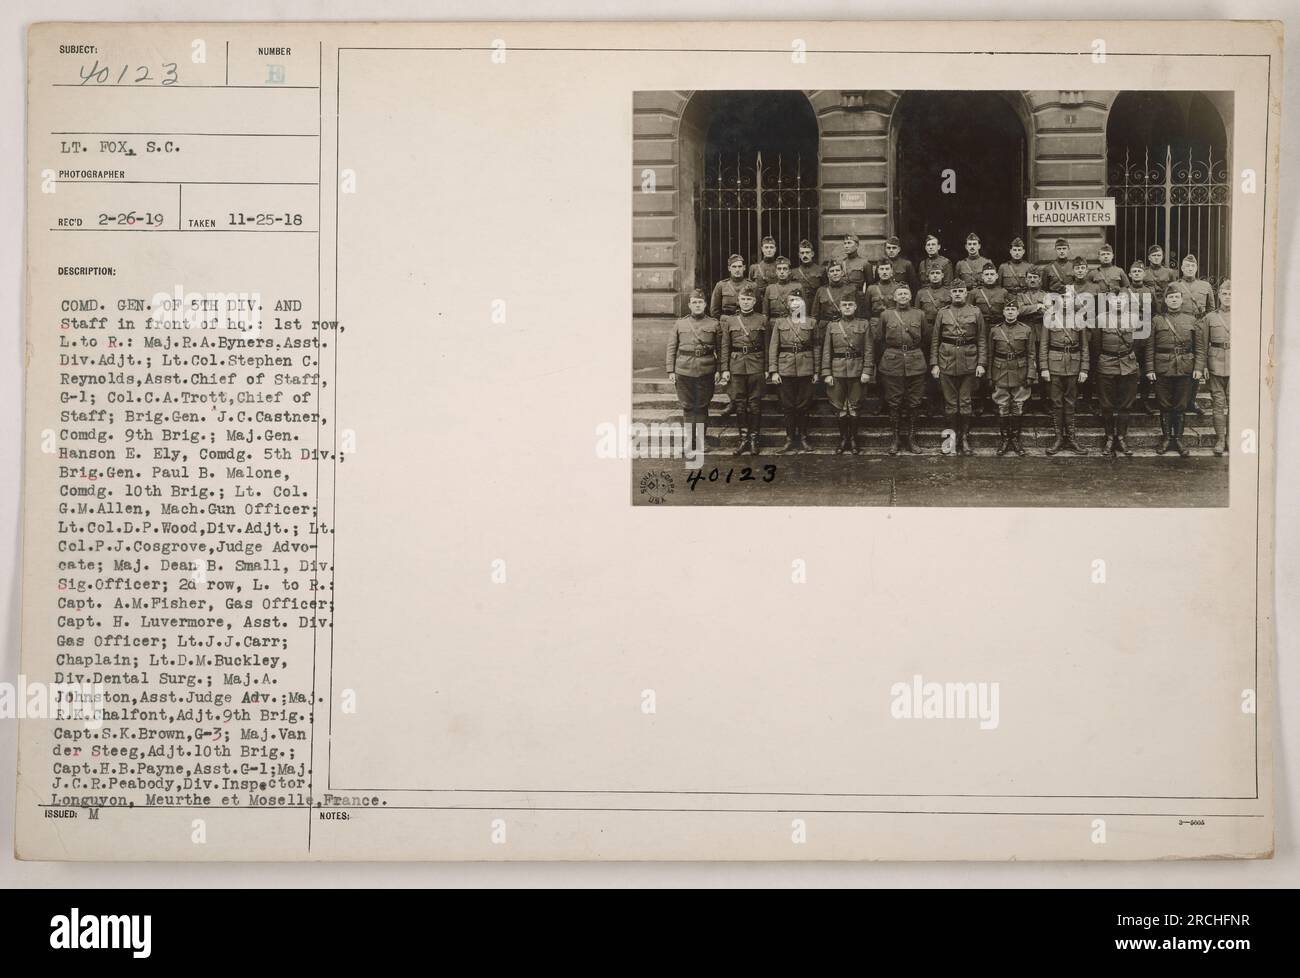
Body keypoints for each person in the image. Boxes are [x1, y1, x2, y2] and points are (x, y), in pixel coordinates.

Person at [867, 283, 930, 455]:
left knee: (914, 401)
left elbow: (925, 338)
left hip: (915, 361)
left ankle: (911, 438)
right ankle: (895, 439)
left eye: (906, 293)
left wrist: (914, 352)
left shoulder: (920, 314)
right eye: (899, 294)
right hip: (892, 362)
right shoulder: (886, 315)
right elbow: (879, 339)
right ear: (894, 297)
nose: (903, 296)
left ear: (910, 296)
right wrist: (886, 358)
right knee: (894, 402)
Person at [931, 280, 987, 455]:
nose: (957, 294)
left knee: (965, 402)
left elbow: (982, 339)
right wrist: (934, 364)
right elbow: (935, 340)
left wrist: (981, 363)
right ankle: (951, 440)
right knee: (950, 403)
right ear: (950, 293)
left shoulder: (976, 312)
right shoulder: (943, 312)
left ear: (966, 293)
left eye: (961, 291)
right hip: (946, 361)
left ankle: (964, 439)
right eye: (954, 291)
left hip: (969, 361)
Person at [1144, 284, 1200, 456]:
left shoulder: (1191, 320)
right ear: (1165, 301)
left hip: (1184, 367)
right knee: (1164, 404)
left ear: (1181, 300)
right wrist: (1150, 368)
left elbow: (1199, 347)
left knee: (1181, 404)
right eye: (1170, 298)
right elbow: (1150, 347)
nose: (1174, 300)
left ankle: (1179, 440)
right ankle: (1167, 438)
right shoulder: (1156, 320)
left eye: (1176, 297)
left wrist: (1198, 368)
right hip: (1162, 368)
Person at [1038, 276, 1090, 455]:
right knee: (1056, 402)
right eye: (1062, 298)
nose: (1065, 301)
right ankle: (1058, 438)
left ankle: (1072, 438)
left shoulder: (1079, 318)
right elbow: (1043, 345)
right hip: (1054, 366)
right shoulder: (1049, 317)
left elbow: (1084, 346)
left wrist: (1084, 368)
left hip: (1074, 365)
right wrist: (1044, 367)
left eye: (1068, 297)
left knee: (1071, 402)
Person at [1091, 276, 1142, 457]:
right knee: (1107, 404)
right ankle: (1109, 437)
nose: (1118, 303)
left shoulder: (1134, 319)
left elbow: (1138, 344)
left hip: (1128, 365)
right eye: (1114, 300)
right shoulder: (1100, 319)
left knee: (1125, 404)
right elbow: (1095, 345)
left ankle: (1121, 437)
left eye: (1121, 300)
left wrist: (1132, 359)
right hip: (1106, 365)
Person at [666, 288, 721, 456]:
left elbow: (720, 349)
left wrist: (719, 370)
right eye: (694, 303)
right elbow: (671, 347)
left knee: (703, 406)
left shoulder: (713, 324)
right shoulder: (680, 323)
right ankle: (690, 442)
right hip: (683, 369)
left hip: (706, 370)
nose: (697, 305)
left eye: (700, 302)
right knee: (688, 407)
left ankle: (702, 441)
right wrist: (670, 370)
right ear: (690, 305)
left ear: (705, 304)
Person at [719, 284, 768, 456]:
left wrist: (768, 368)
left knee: (755, 403)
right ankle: (743, 440)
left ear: (754, 301)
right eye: (743, 299)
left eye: (749, 299)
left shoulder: (762, 320)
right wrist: (725, 368)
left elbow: (768, 346)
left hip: (756, 364)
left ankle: (754, 439)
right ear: (738, 301)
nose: (746, 302)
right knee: (740, 403)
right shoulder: (730, 321)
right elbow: (725, 346)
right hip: (737, 365)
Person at [767, 292, 818, 454]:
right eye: (792, 301)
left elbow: (817, 347)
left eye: (798, 300)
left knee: (804, 405)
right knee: (787, 406)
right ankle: (789, 439)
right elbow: (773, 346)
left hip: (806, 368)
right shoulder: (780, 322)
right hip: (785, 368)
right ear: (788, 305)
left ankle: (803, 438)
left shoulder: (811, 322)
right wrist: (774, 371)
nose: (795, 304)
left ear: (804, 303)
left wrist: (816, 371)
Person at [986, 299, 1037, 457]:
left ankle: (1015, 439)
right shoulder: (995, 331)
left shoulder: (1026, 330)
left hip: (1020, 371)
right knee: (1002, 406)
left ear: (1017, 312)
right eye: (1007, 309)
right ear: (1003, 312)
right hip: (999, 370)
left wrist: (1031, 375)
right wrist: (989, 375)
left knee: (1018, 405)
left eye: (1013, 310)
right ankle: (1004, 440)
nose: (1010, 312)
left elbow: (1031, 354)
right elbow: (990, 354)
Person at [821, 292, 870, 454]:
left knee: (855, 406)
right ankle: (843, 439)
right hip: (837, 370)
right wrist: (826, 372)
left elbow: (869, 350)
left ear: (855, 307)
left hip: (857, 370)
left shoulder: (864, 324)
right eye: (844, 305)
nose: (847, 308)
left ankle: (854, 440)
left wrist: (867, 370)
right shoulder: (832, 326)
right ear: (840, 307)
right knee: (839, 407)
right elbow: (826, 351)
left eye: (850, 305)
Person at [1171, 253, 1217, 420]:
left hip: (1199, 328)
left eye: (1192, 266)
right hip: (1181, 329)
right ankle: (1180, 400)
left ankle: (1191, 400)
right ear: (1182, 268)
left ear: (1196, 268)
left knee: (1198, 362)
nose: (1189, 269)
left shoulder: (1205, 286)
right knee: (1183, 362)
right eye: (1186, 266)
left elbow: (1211, 310)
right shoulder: (1175, 285)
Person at [710, 254, 750, 420]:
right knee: (728, 361)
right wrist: (722, 327)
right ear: (729, 268)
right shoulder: (721, 286)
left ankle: (744, 400)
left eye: (740, 266)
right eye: (734, 267)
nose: (737, 269)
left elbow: (758, 306)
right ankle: (733, 400)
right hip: (727, 326)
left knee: (744, 361)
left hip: (745, 326)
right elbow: (714, 310)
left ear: (745, 268)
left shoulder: (750, 285)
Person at [1196, 279, 1231, 456]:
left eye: (1231, 294)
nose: (1227, 297)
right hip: (1215, 364)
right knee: (1218, 404)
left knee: (1235, 404)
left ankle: (1232, 439)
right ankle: (1220, 439)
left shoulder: (1243, 316)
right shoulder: (1210, 318)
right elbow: (1202, 345)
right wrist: (1203, 367)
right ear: (1218, 295)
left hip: (1236, 364)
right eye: (1224, 294)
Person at [970, 265, 1010, 419]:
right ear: (982, 276)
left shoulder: (1003, 292)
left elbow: (1009, 311)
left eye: (992, 274)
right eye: (986, 274)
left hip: (998, 330)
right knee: (980, 362)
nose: (989, 277)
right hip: (980, 330)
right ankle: (979, 400)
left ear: (996, 276)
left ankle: (995, 400)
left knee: (996, 363)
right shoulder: (974, 293)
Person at [1126, 262, 1159, 415]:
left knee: (1145, 369)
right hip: (1129, 337)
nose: (1137, 273)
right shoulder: (1124, 292)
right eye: (1134, 271)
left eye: (1140, 271)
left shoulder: (1149, 291)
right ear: (1129, 275)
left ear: (1144, 274)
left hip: (1144, 336)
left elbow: (1154, 313)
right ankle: (1129, 400)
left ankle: (1144, 400)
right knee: (1129, 370)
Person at [762, 256, 802, 321]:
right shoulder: (770, 289)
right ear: (776, 272)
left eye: (785, 269)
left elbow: (803, 311)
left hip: (792, 323)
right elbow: (765, 313)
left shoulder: (798, 287)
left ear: (789, 271)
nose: (782, 272)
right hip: (774, 323)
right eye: (779, 269)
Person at [791, 239, 826, 309]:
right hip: (799, 306)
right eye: (802, 253)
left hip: (816, 305)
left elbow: (825, 290)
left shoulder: (821, 270)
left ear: (812, 254)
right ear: (799, 255)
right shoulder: (794, 272)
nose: (805, 255)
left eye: (807, 252)